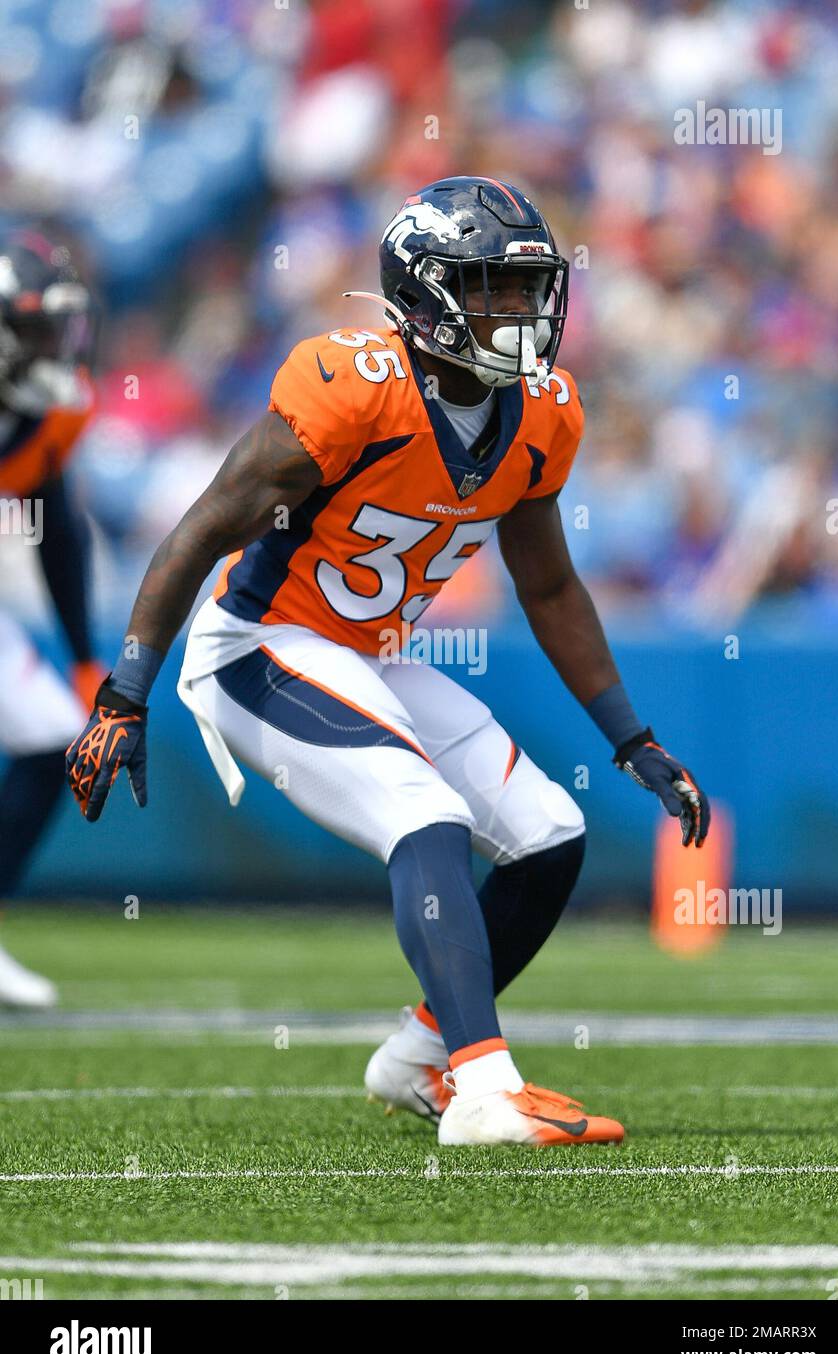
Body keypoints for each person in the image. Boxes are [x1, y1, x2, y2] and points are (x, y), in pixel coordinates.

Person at [66, 178, 709, 1145]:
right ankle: (485, 1091)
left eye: (528, 288)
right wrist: (124, 693)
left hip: (361, 651)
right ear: (426, 294)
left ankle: (417, 1058)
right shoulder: (353, 385)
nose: (520, 311)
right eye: (492, 288)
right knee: (428, 811)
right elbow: (197, 534)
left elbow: (550, 590)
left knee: (549, 830)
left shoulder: (539, 415)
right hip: (259, 646)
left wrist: (633, 739)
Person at [0, 230, 101, 1007]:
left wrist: (82, 654)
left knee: (54, 731)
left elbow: (55, 530)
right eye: (38, 328)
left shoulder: (50, 414)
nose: (54, 346)